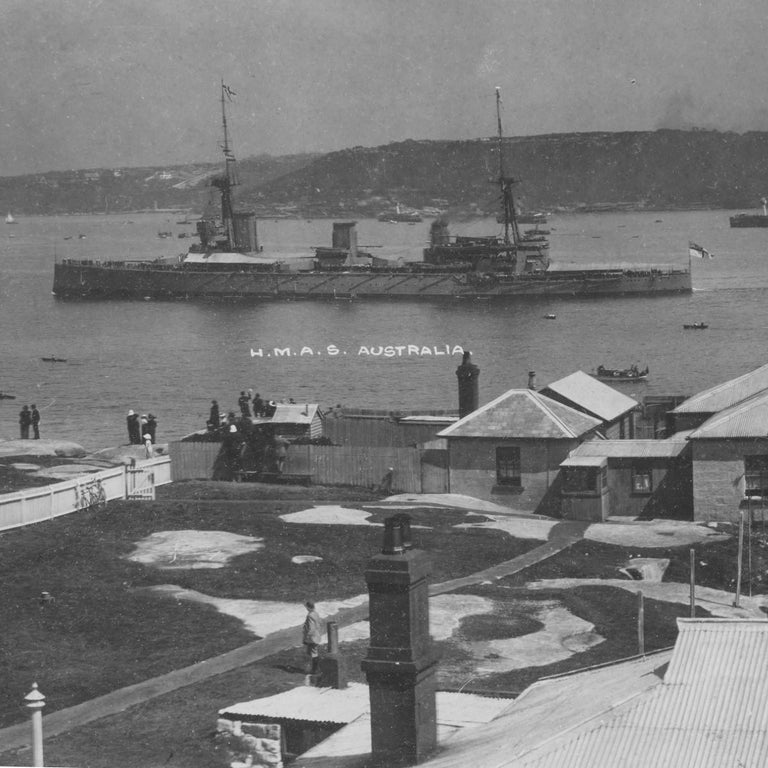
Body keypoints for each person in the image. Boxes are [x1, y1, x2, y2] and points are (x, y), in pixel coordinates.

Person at [302, 600, 323, 679]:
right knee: (314, 652)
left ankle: (315, 670)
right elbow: (320, 623)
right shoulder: (316, 613)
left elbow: (311, 628)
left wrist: (307, 637)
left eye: (306, 607)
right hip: (316, 636)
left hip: (312, 637)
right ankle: (315, 669)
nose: (306, 608)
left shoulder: (310, 615)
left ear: (308, 607)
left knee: (313, 653)